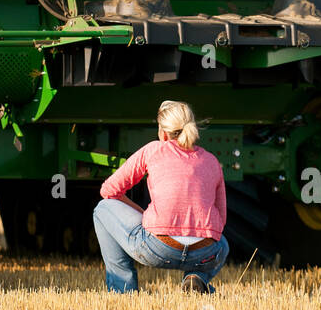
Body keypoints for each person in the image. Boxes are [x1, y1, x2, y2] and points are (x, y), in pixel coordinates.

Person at [93, 100, 229, 294]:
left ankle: (122, 290)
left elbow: (109, 191)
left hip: (158, 249)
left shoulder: (153, 150)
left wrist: (140, 212)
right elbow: (221, 220)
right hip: (205, 253)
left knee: (102, 209)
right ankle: (197, 277)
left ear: (163, 132)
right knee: (223, 244)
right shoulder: (212, 161)